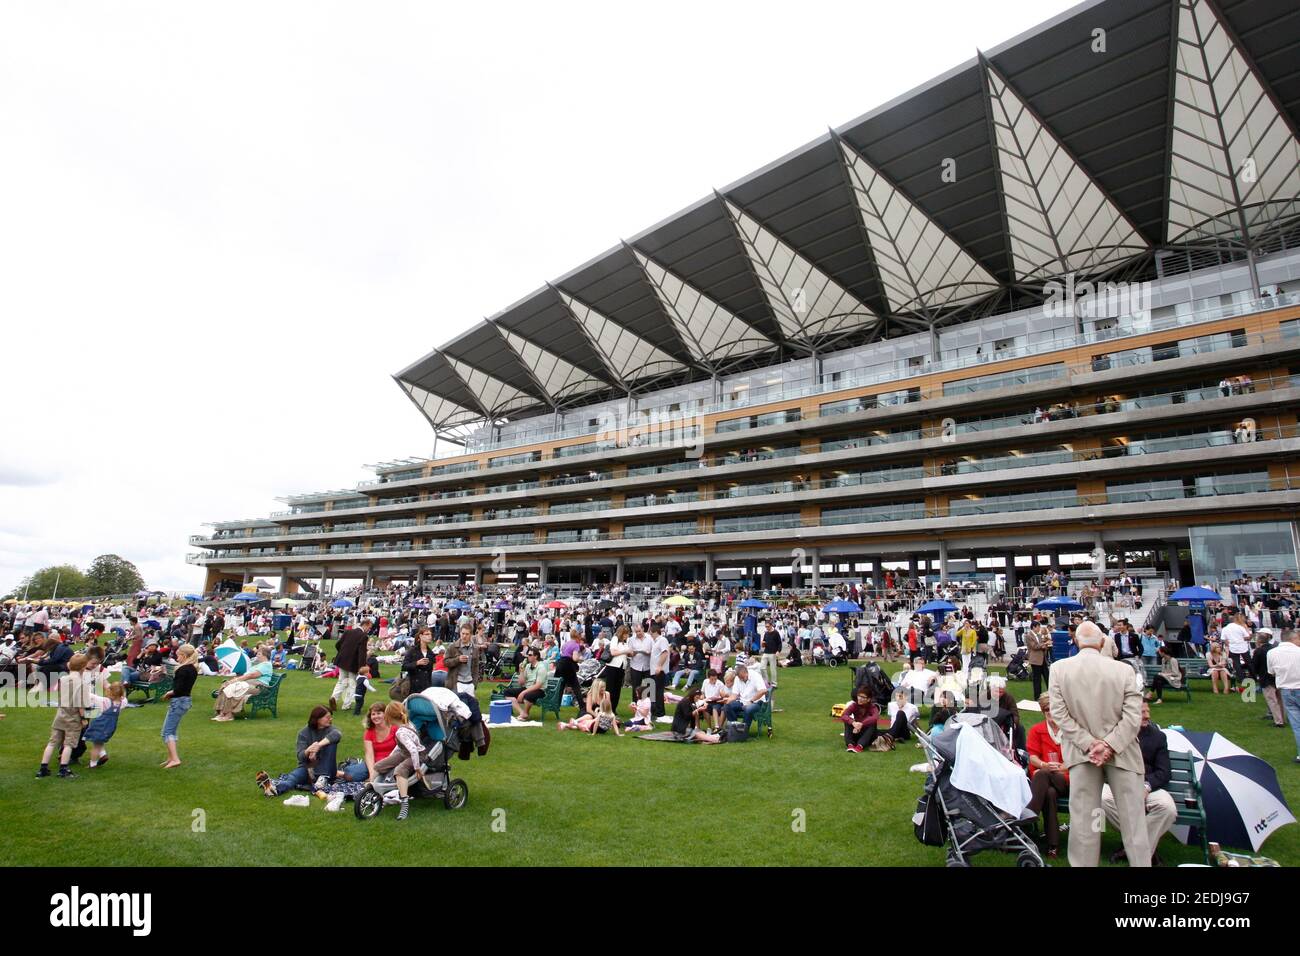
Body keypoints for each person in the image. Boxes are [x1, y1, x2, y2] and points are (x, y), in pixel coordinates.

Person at [1048, 620, 1150, 868]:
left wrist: (1091, 744)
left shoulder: (1060, 669)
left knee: (1085, 822)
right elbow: (1133, 716)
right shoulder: (1124, 670)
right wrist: (1108, 744)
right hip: (1121, 750)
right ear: (1103, 642)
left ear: (1075, 641)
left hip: (1084, 752)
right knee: (1133, 822)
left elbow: (1059, 715)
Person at [1103, 702, 1176, 866]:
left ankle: (1129, 849)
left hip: (1149, 787)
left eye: (1148, 711)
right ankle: (1143, 850)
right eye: (1142, 712)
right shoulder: (1114, 735)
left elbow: (1164, 772)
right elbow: (1107, 768)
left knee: (1168, 808)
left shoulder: (1158, 737)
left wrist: (1147, 786)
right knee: (1102, 799)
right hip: (1119, 786)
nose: (1147, 716)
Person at [254, 705, 362, 796]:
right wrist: (308, 751)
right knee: (293, 778)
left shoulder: (331, 730)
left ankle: (323, 778)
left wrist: (318, 746)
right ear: (317, 719)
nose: (330, 719)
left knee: (331, 742)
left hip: (328, 771)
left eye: (330, 717)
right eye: (327, 717)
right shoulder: (303, 733)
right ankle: (274, 789)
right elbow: (300, 757)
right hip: (308, 768)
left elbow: (337, 735)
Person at [1025, 692, 1069, 859]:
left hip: (1067, 779)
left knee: (1042, 775)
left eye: (1053, 708)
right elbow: (1032, 757)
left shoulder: (1070, 730)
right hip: (1047, 783)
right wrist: (1044, 765)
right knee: (1049, 793)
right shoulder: (1038, 730)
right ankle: (1053, 845)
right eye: (1046, 709)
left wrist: (1061, 767)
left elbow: (1077, 759)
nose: (1050, 712)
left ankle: (1030, 814)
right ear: (1043, 712)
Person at [369, 702, 426, 821]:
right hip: (405, 753)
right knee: (379, 765)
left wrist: (417, 768)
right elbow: (401, 747)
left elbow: (414, 750)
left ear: (388, 717)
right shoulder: (406, 724)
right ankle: (370, 788)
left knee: (400, 770)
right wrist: (390, 759)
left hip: (417, 755)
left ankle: (404, 802)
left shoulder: (401, 732)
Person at [36, 653, 89, 779]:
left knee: (52, 742)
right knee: (69, 744)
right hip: (73, 717)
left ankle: (43, 768)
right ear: (83, 667)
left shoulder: (63, 679)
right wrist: (84, 719)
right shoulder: (82, 683)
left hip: (60, 714)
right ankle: (63, 769)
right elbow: (80, 705)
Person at [160, 644, 199, 770]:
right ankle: (170, 757)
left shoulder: (182, 670)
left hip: (179, 701)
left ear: (184, 656)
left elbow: (179, 689)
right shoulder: (193, 668)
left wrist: (169, 693)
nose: (177, 659)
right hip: (185, 701)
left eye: (178, 656)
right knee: (171, 730)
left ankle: (175, 759)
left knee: (167, 732)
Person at [212, 645, 273, 721]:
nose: (257, 655)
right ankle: (222, 713)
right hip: (250, 684)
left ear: (265, 655)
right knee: (227, 686)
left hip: (259, 687)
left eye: (259, 654)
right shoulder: (259, 664)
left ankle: (229, 715)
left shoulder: (266, 665)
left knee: (235, 688)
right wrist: (236, 679)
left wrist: (237, 680)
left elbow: (252, 675)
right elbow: (247, 675)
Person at [1267, 629, 1300, 763]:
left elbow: (1272, 671)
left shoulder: (1272, 653)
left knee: (1297, 725)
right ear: (1293, 639)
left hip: (1286, 689)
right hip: (1292, 688)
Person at [329, 620, 369, 713]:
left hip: (342, 661)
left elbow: (338, 644)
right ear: (365, 625)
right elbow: (362, 654)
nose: (369, 630)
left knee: (341, 681)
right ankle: (346, 705)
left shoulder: (348, 632)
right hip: (353, 663)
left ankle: (334, 697)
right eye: (369, 627)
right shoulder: (363, 636)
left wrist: (343, 652)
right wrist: (361, 668)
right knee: (352, 684)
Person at [1252, 631, 1286, 728]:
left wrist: (1255, 675)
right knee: (1279, 700)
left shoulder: (1258, 651)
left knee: (1272, 700)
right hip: (1277, 677)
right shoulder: (1275, 649)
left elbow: (1255, 665)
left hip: (1265, 677)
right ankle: (1282, 718)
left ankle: (1279, 722)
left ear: (1259, 641)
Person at [511, 647, 549, 721]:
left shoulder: (541, 667)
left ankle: (525, 713)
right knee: (507, 692)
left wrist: (523, 692)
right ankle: (522, 713)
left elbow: (538, 685)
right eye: (527, 655)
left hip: (539, 690)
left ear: (536, 656)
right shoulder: (528, 666)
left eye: (530, 655)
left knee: (528, 695)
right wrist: (521, 671)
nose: (528, 656)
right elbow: (521, 683)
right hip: (528, 688)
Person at [840, 688, 880, 752]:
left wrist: (862, 724)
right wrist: (853, 723)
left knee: (873, 723)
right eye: (859, 696)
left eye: (863, 697)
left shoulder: (872, 707)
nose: (860, 698)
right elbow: (844, 715)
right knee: (847, 722)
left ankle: (860, 746)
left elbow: (875, 717)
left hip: (868, 735)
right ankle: (850, 745)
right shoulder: (854, 705)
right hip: (856, 731)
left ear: (868, 699)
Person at [1026, 622, 1051, 698]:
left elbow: (1041, 646)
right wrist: (1045, 644)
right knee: (1037, 679)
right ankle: (1037, 696)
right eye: (1038, 627)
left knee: (1048, 677)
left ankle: (1051, 694)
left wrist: (1046, 646)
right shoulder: (1029, 635)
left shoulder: (1039, 635)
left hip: (1043, 659)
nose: (1039, 629)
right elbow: (1034, 646)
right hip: (1035, 660)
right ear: (1033, 627)